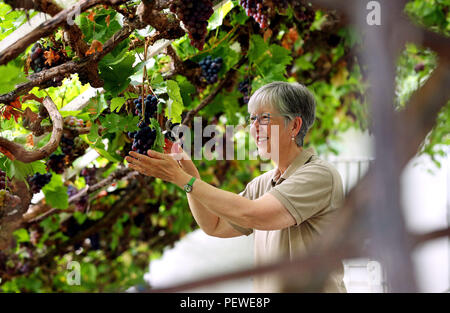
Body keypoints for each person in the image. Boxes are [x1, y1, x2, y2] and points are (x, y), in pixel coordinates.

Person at [125, 81, 346, 293]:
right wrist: (188, 171)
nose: (255, 127)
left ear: (295, 126)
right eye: (252, 119)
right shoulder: (262, 184)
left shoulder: (318, 175)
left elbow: (254, 214)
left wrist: (184, 180)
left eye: (265, 118)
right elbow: (215, 225)